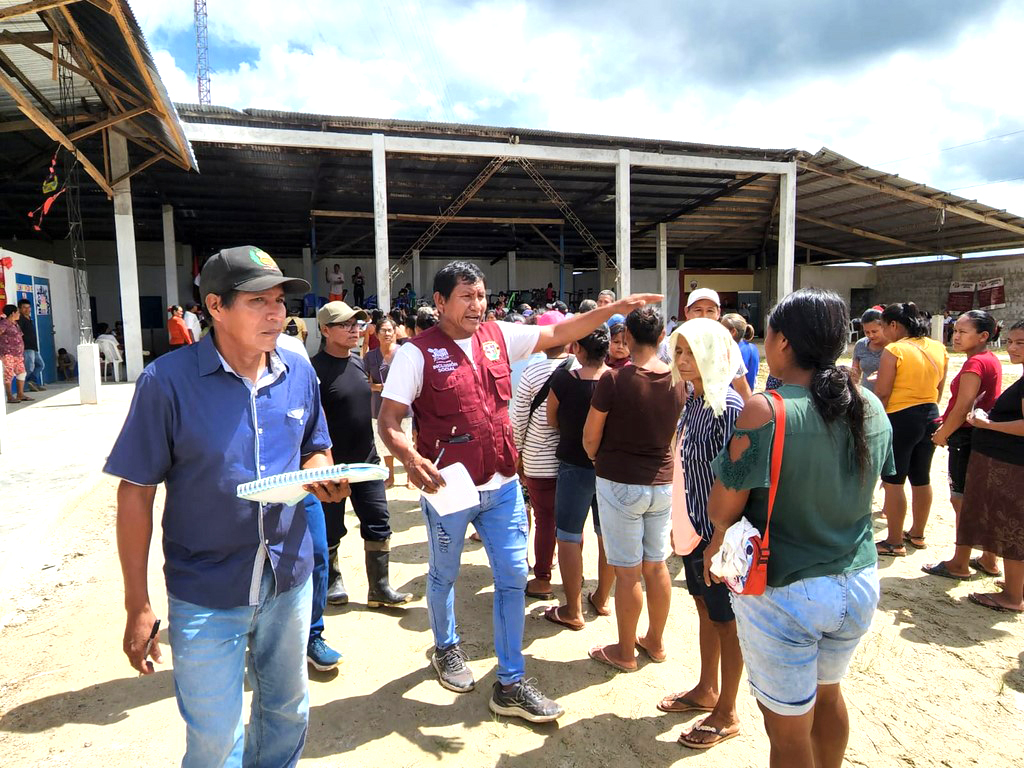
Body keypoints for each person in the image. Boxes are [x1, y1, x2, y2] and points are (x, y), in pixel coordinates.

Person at [378, 260, 659, 722]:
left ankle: (510, 681)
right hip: (449, 487)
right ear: (441, 302)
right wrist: (411, 458)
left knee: (511, 576)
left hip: (504, 483)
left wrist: (617, 310)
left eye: (482, 295)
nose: (477, 304)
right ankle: (445, 647)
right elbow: (389, 421)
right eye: (466, 296)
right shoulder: (417, 353)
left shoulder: (498, 336)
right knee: (443, 574)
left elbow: (561, 330)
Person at [105, 245, 348, 767]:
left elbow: (315, 445)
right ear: (215, 306)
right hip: (206, 587)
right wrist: (136, 602)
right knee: (216, 740)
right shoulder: (166, 383)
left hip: (288, 575)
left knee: (287, 712)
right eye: (258, 301)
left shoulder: (298, 374)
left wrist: (319, 471)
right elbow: (136, 492)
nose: (277, 314)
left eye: (280, 301)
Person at [705, 288, 894, 767]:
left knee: (787, 732)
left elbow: (722, 510)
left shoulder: (766, 410)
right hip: (857, 581)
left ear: (782, 341)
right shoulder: (870, 405)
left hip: (787, 590)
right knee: (828, 696)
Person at [584, 307, 685, 673]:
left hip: (620, 479)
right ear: (662, 337)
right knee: (656, 565)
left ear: (625, 336)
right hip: (660, 481)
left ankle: (624, 651)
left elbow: (590, 435)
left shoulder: (614, 379)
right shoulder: (678, 379)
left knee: (627, 571)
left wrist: (597, 458)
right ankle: (654, 640)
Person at [660, 318, 745, 749]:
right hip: (695, 531)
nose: (683, 361)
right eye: (679, 352)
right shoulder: (693, 400)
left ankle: (727, 710)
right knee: (705, 612)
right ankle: (706, 688)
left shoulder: (727, 406)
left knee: (727, 622)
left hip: (719, 538)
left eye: (692, 353)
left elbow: (736, 478)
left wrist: (718, 536)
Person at [312, 302, 413, 614]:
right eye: (344, 325)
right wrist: (322, 466)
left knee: (378, 521)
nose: (354, 329)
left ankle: (380, 587)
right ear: (325, 330)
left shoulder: (357, 363)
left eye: (356, 323)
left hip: (366, 462)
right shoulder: (313, 370)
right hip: (331, 465)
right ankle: (332, 582)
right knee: (330, 526)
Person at [274, 317, 342, 672]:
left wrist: (323, 471)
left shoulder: (293, 355)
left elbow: (314, 426)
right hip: (256, 493)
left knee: (316, 553)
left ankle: (312, 635)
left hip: (301, 486)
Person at [544, 325, 615, 629]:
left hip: (574, 462)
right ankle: (601, 597)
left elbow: (551, 418)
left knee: (569, 536)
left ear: (580, 350)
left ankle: (573, 609)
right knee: (607, 535)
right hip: (610, 468)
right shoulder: (616, 380)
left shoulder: (563, 379)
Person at [923, 310, 1002, 579]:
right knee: (979, 499)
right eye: (955, 330)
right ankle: (988, 558)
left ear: (983, 336)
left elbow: (962, 406)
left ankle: (960, 562)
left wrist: (942, 433)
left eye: (962, 332)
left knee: (962, 501)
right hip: (980, 437)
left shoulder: (974, 364)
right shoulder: (990, 359)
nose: (955, 336)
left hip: (965, 436)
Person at [510, 310, 577, 601]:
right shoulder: (580, 368)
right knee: (572, 522)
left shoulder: (532, 372)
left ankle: (542, 577)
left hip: (538, 459)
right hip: (574, 458)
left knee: (544, 518)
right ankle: (571, 582)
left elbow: (519, 419)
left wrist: (518, 454)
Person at [957, 320, 1024, 612]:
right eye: (1010, 341)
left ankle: (1012, 597)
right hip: (1007, 461)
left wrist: (988, 424)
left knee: (1012, 530)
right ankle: (1015, 587)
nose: (1012, 347)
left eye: (1020, 343)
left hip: (1012, 464)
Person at [873, 302, 948, 556]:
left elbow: (882, 392)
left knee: (893, 480)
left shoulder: (894, 349)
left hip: (900, 417)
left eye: (883, 327)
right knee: (921, 477)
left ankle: (893, 541)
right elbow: (939, 388)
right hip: (930, 415)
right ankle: (917, 534)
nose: (882, 333)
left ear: (893, 325)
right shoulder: (938, 347)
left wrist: (877, 423)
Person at [679, 289, 752, 401]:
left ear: (718, 313)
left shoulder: (727, 347)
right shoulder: (673, 344)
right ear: (686, 312)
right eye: (698, 310)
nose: (704, 316)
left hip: (713, 414)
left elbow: (742, 388)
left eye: (710, 311)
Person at [365, 315, 412, 489]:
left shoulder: (404, 352)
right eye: (383, 330)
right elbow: (365, 382)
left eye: (390, 330)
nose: (387, 333)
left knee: (406, 441)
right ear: (376, 334)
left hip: (402, 405)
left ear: (395, 333)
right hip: (379, 405)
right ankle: (390, 476)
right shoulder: (370, 356)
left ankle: (410, 476)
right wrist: (377, 387)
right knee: (384, 442)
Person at [850, 308, 885, 393]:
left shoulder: (894, 346)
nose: (871, 335)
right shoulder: (860, 345)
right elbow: (855, 373)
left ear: (883, 327)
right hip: (867, 395)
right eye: (867, 332)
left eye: (874, 331)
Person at [721, 313, 759, 391]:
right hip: (748, 395)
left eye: (721, 329)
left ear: (733, 332)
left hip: (732, 398)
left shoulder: (732, 352)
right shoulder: (753, 348)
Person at [2, 304, 29, 403]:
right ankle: (9, 396)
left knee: (22, 372)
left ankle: (20, 394)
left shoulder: (15, 324)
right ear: (12, 313)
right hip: (7, 354)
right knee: (8, 375)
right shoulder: (4, 324)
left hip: (18, 354)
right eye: (17, 312)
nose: (19, 314)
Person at [17, 298, 44, 391]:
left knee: (40, 365)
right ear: (19, 309)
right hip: (26, 347)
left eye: (28, 307)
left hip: (33, 347)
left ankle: (32, 382)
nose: (27, 309)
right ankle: (23, 388)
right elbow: (18, 333)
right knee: (29, 368)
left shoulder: (29, 318)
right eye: (24, 308)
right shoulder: (20, 319)